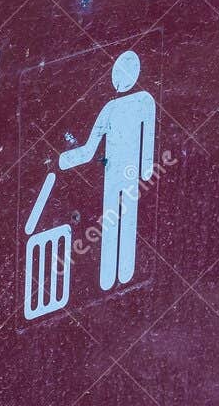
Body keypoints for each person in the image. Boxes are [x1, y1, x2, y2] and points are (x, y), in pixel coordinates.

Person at [58, 50, 155, 290]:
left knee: (127, 218)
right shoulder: (109, 108)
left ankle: (125, 272)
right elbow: (91, 148)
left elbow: (148, 136)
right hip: (112, 173)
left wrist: (145, 168)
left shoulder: (145, 101)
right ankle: (109, 277)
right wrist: (65, 159)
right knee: (112, 220)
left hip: (130, 173)